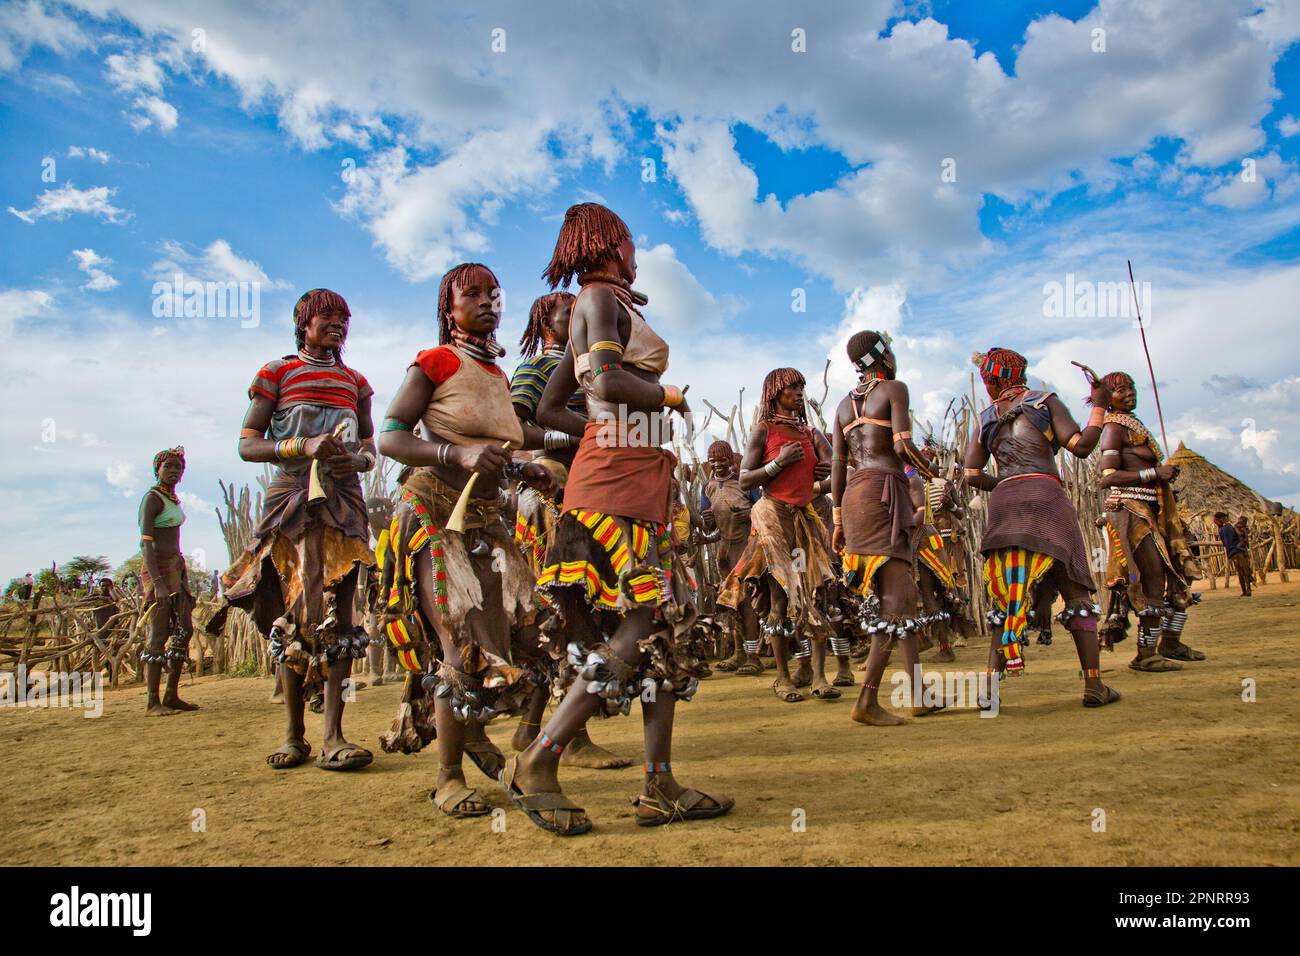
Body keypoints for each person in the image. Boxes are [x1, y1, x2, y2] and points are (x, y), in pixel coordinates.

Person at [514, 201, 731, 835]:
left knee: (658, 631)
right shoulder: (600, 300)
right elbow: (606, 381)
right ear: (610, 245)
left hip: (625, 475)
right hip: (614, 489)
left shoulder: (600, 308)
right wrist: (667, 398)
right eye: (631, 242)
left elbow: (555, 406)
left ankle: (658, 785)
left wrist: (613, 432)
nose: (637, 254)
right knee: (640, 626)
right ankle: (538, 759)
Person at [378, 261, 561, 818]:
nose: (488, 302)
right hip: (434, 514)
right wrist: (452, 453)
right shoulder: (434, 362)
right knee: (458, 644)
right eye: (472, 294)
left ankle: (520, 750)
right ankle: (448, 777)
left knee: (537, 635)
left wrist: (532, 462)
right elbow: (388, 435)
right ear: (448, 308)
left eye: (494, 294)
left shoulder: (498, 376)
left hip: (487, 518)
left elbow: (508, 437)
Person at [210, 288, 376, 770]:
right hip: (291, 502)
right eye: (327, 316)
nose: (338, 325)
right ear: (303, 322)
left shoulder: (355, 382)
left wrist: (354, 459)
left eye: (344, 318)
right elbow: (247, 444)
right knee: (293, 612)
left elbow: (369, 447)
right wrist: (302, 446)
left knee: (341, 617)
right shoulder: (276, 373)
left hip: (343, 503)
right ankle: (292, 735)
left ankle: (334, 736)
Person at [506, 291, 630, 770]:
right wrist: (579, 435)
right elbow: (516, 430)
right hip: (553, 492)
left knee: (579, 611)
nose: (577, 317)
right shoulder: (537, 370)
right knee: (567, 613)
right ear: (545, 323)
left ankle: (530, 728)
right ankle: (571, 742)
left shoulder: (593, 370)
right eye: (566, 313)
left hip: (593, 491)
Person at [963, 347, 1119, 707]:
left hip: (1005, 509)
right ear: (1021, 374)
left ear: (991, 380)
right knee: (1075, 591)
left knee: (1007, 596)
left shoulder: (986, 417)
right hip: (1046, 500)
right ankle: (1094, 686)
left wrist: (1004, 484)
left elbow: (972, 474)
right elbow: (1081, 446)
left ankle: (989, 690)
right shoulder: (1045, 401)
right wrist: (1098, 405)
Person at [831, 331, 943, 725]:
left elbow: (837, 468)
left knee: (903, 595)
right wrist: (933, 472)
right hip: (884, 494)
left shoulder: (843, 405)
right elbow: (901, 447)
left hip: (855, 499)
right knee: (895, 600)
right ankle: (867, 700)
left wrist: (838, 521)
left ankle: (917, 693)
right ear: (883, 355)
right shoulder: (895, 389)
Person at [718, 368, 838, 703]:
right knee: (781, 597)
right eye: (792, 388)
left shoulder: (811, 433)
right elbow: (745, 480)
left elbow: (834, 468)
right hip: (773, 520)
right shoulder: (763, 430)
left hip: (802, 520)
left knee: (813, 594)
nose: (799, 392)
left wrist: (824, 476)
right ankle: (782, 678)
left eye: (802, 386)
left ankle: (817, 675)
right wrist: (779, 464)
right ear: (774, 393)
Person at [1097, 371, 1203, 669]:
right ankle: (1145, 655)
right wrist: (1154, 473)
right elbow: (1108, 477)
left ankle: (1171, 642)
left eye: (1131, 387)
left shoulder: (1133, 425)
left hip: (1153, 509)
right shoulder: (1113, 428)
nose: (1130, 393)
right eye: (1120, 390)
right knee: (1152, 577)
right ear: (1107, 397)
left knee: (1181, 571)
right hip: (1131, 512)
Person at [137, 447, 198, 716]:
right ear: (157, 469)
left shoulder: (170, 499)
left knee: (184, 629)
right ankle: (152, 701)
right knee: (159, 632)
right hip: (158, 570)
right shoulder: (151, 499)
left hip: (176, 568)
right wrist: (158, 583)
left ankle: (172, 694)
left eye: (179, 468)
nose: (174, 471)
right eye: (169, 467)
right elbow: (146, 545)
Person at [700, 439, 761, 674]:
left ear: (731, 460)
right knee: (732, 603)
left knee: (747, 603)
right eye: (712, 461)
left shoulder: (744, 483)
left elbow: (762, 510)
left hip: (747, 549)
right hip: (724, 552)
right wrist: (707, 523)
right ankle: (739, 653)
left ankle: (753, 656)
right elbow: (709, 528)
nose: (717, 465)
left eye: (721, 460)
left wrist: (746, 514)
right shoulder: (708, 487)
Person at [1214, 513, 1251, 597]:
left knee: (1242, 571)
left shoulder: (1226, 528)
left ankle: (1246, 590)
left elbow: (1226, 543)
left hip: (1234, 552)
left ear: (1221, 519)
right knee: (1243, 571)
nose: (1215, 522)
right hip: (1236, 551)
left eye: (1216, 520)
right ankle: (1246, 590)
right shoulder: (1226, 528)